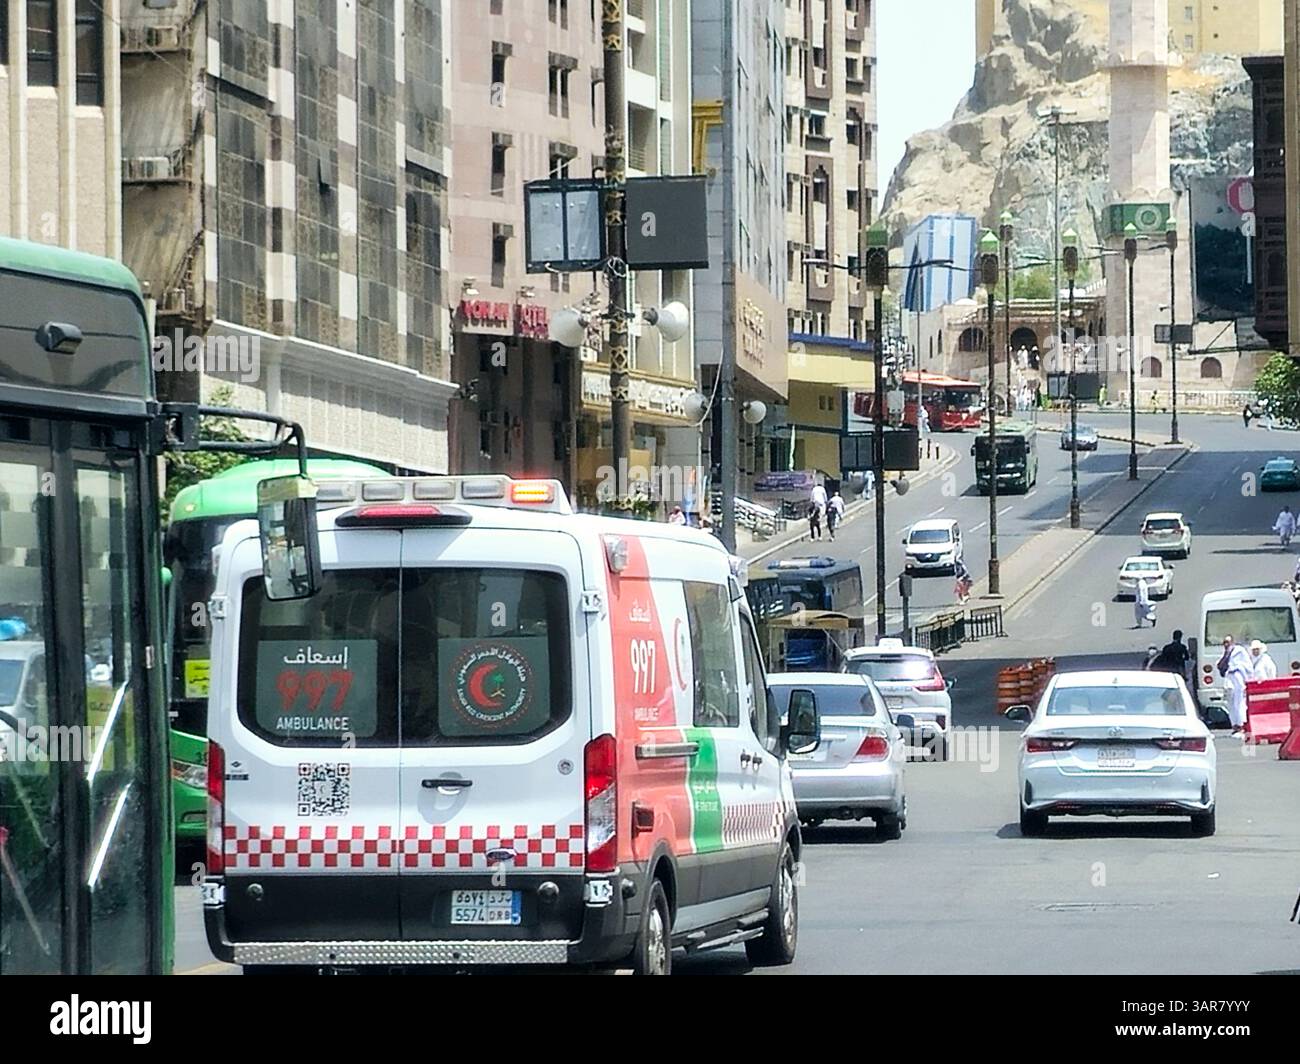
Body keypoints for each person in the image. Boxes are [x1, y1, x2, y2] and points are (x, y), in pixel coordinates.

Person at [1216, 636, 1254, 733]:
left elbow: (1247, 665)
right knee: (1231, 703)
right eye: (1224, 642)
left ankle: (1241, 724)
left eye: (1228, 642)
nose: (1226, 644)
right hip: (1229, 679)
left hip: (1238, 678)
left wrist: (1247, 677)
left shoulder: (1239, 651)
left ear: (1232, 642)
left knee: (1239, 702)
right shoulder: (1226, 653)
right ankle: (1235, 725)